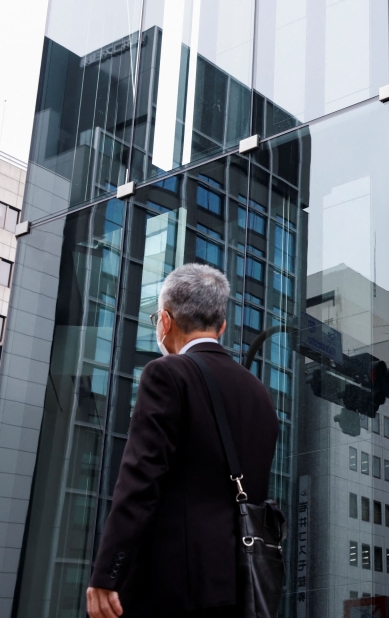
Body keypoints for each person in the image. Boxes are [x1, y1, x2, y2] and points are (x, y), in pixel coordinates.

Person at [86, 263, 280, 618]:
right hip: (242, 586)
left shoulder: (167, 374)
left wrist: (106, 573)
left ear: (165, 320)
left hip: (173, 585)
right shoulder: (260, 394)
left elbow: (139, 480)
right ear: (221, 326)